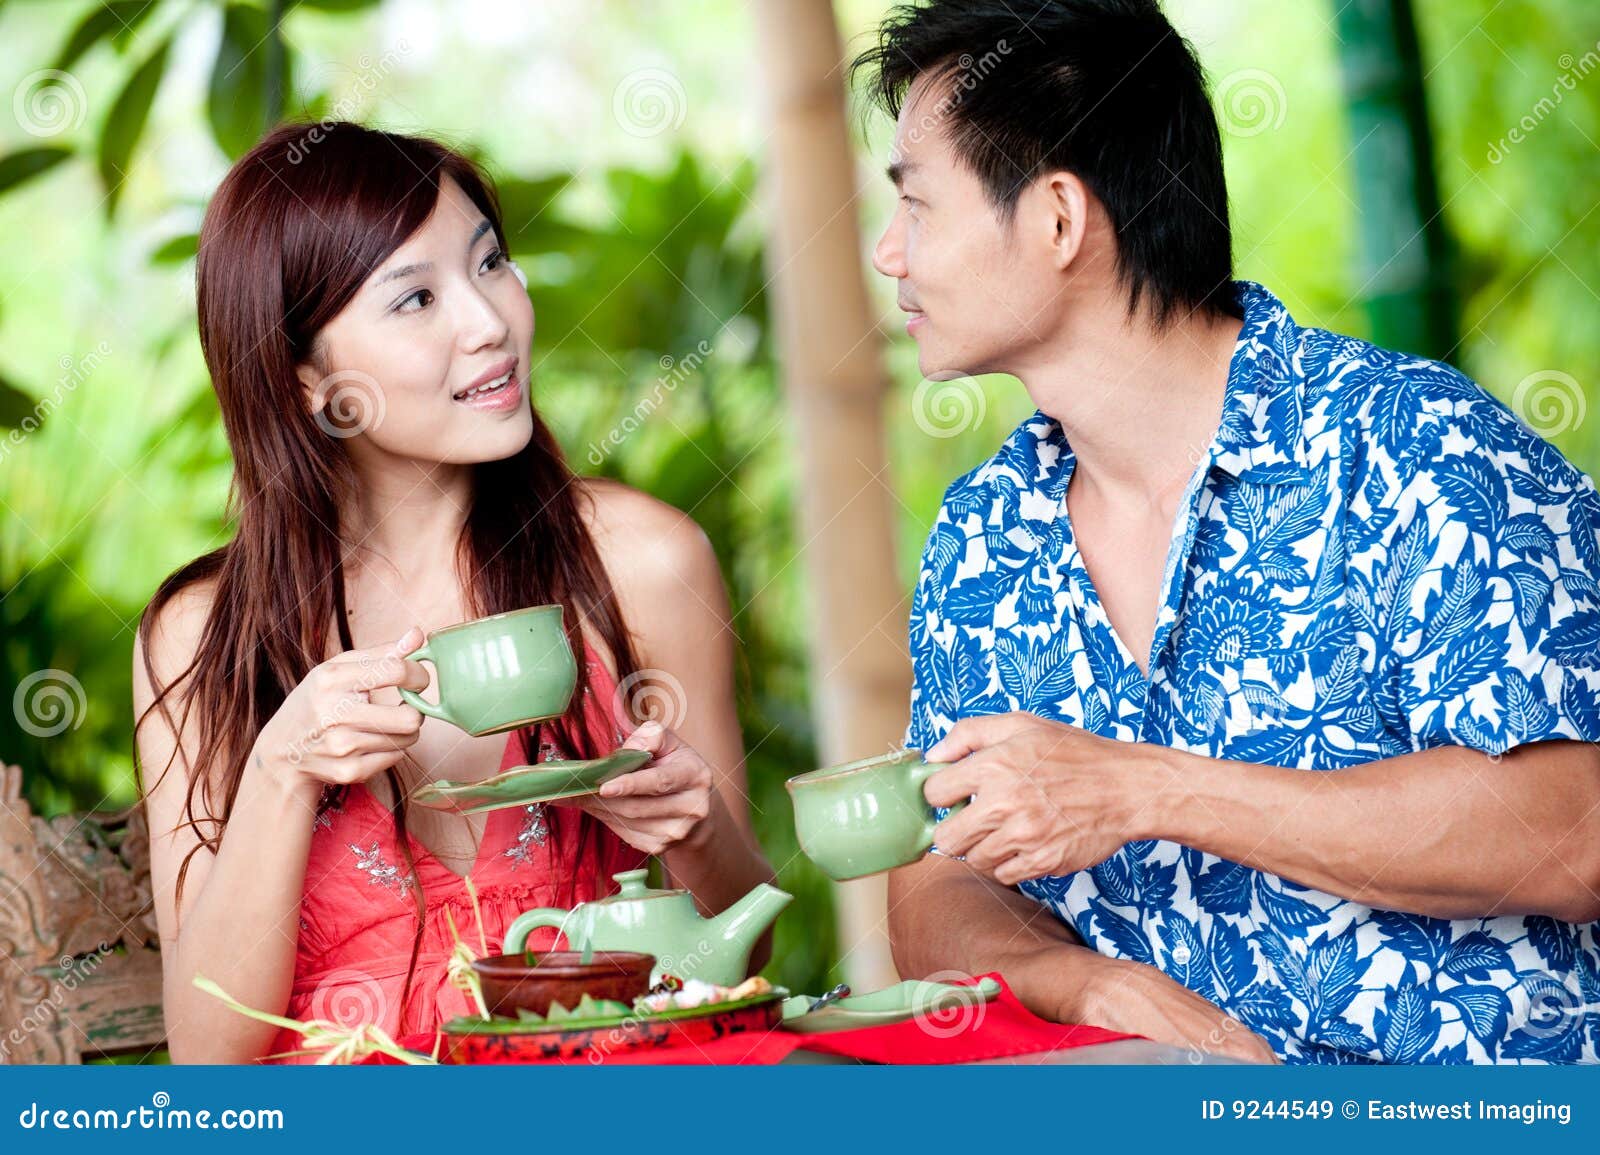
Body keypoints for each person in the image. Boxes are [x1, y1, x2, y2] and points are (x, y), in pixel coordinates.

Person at [858, 0, 1600, 1063]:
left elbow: (1570, 832)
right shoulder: (983, 534)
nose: (891, 254)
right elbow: (938, 878)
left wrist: (1144, 787)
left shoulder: (1414, 447)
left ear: (1059, 221)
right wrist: (1090, 985)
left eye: (918, 207)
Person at [133, 122, 774, 1063]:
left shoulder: (643, 564)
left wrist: (698, 829)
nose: (489, 323)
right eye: (418, 298)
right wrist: (281, 771)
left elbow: (746, 954)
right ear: (308, 377)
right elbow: (207, 1059)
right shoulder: (202, 636)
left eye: (491, 264)